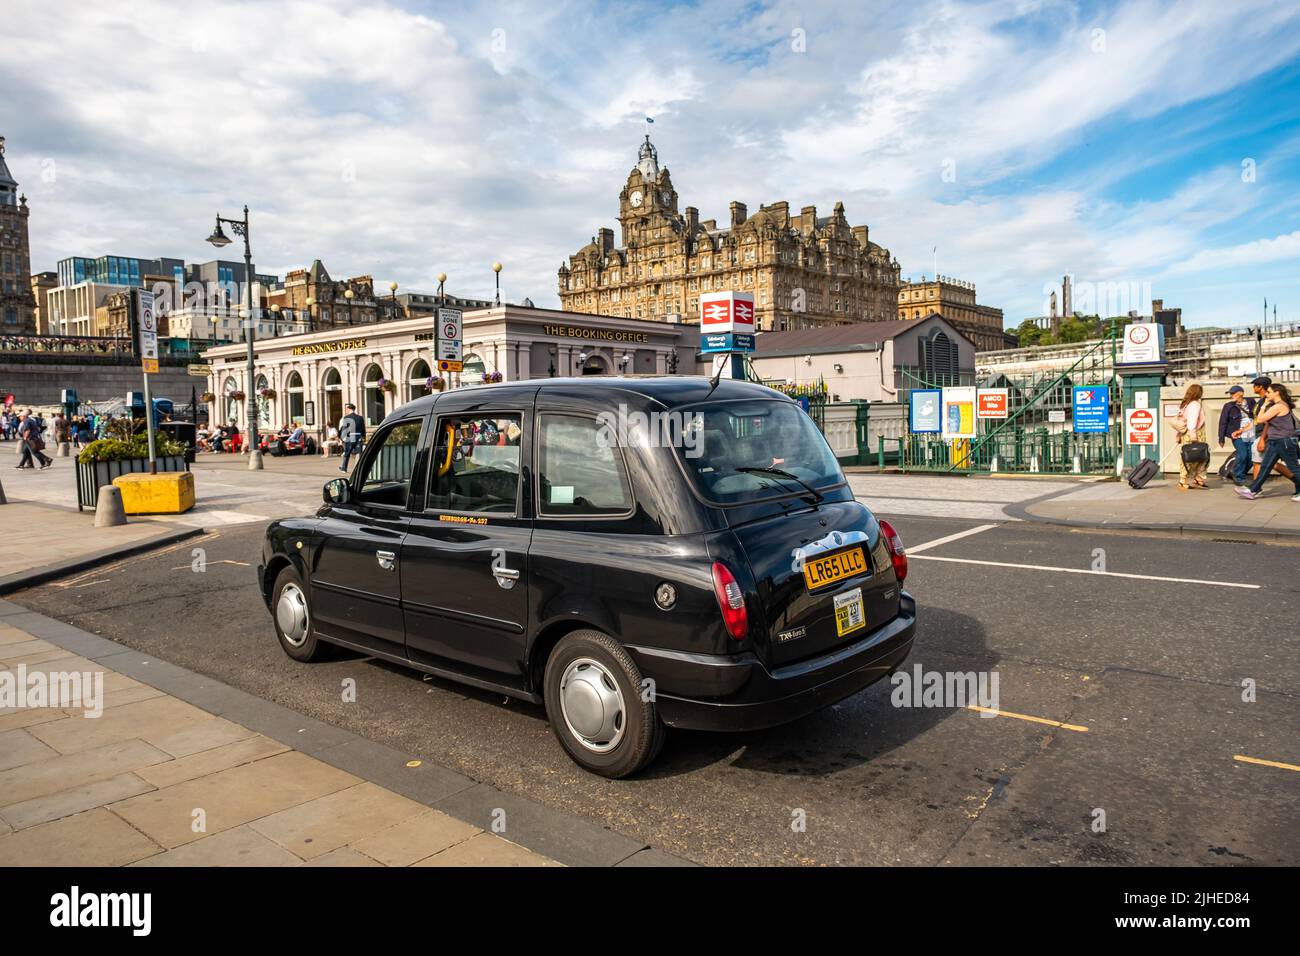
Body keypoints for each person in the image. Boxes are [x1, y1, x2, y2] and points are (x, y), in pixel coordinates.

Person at [1235, 382, 1300, 501]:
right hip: (1276, 441)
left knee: (1294, 467)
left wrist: (1264, 405)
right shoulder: (1276, 405)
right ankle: (1253, 490)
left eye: (1269, 392)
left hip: (1284, 441)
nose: (1267, 394)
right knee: (1266, 465)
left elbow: (1260, 419)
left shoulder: (1279, 406)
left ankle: (1253, 489)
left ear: (1277, 393)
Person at [1247, 376, 1293, 484]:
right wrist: (1243, 429)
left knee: (1260, 462)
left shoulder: (1269, 403)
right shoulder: (1262, 402)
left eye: (1255, 385)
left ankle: (1255, 488)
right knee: (1269, 463)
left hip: (1266, 436)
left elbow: (1267, 423)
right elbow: (1255, 420)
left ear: (1260, 387)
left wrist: (1262, 439)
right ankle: (1255, 488)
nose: (1253, 387)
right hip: (1266, 436)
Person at [1218, 385, 1255, 486]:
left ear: (1241, 393)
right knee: (1243, 455)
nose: (1231, 395)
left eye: (1233, 393)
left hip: (1251, 432)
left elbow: (1257, 416)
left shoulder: (1251, 402)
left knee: (1252, 456)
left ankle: (1238, 472)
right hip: (1237, 434)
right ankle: (1239, 477)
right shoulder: (1228, 406)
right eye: (1230, 394)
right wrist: (1221, 438)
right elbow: (1223, 422)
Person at [1174, 383, 1208, 490]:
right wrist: (1194, 436)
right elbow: (1192, 421)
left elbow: (1182, 421)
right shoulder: (1195, 405)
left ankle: (1197, 478)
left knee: (1191, 457)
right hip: (1194, 434)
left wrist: (1179, 435)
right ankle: (1183, 480)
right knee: (1196, 457)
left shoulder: (1185, 405)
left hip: (1186, 434)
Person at [338, 404, 365, 473]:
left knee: (347, 453)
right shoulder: (360, 418)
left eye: (346, 409)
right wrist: (363, 437)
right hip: (358, 437)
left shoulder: (346, 417)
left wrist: (341, 438)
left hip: (349, 437)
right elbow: (363, 429)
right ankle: (359, 469)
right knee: (359, 454)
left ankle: (344, 468)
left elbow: (344, 429)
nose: (346, 410)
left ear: (348, 409)